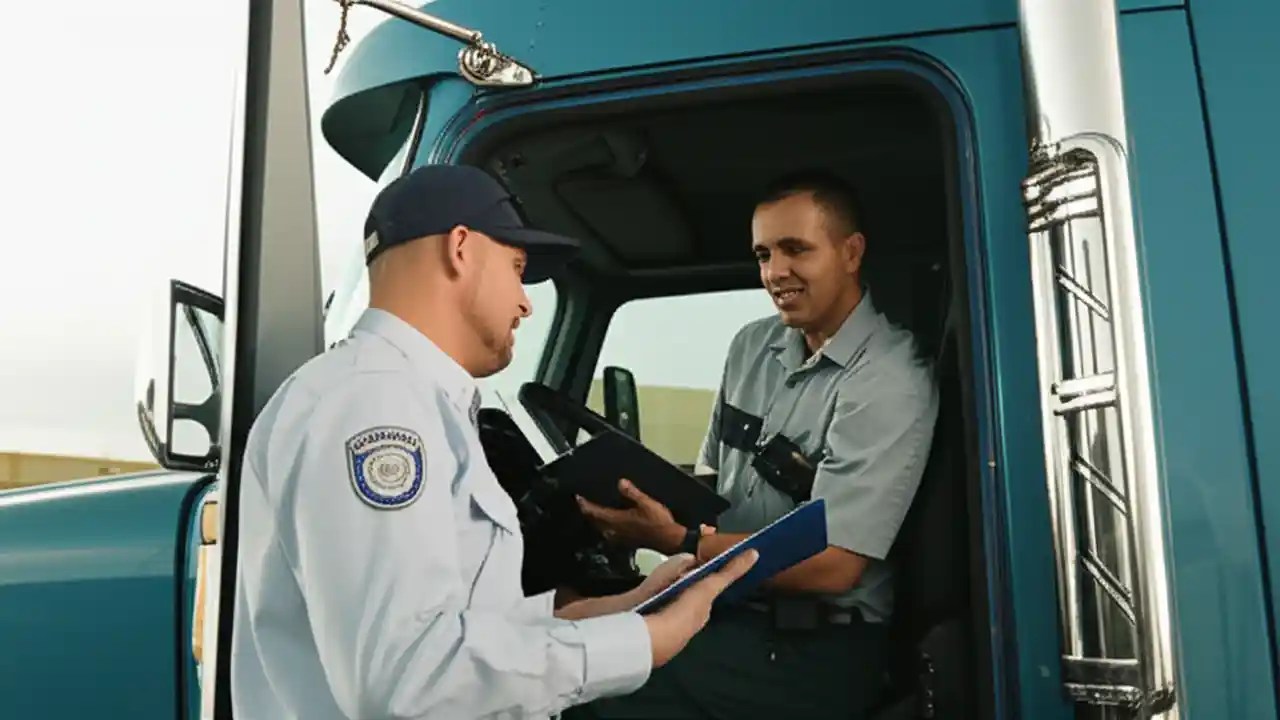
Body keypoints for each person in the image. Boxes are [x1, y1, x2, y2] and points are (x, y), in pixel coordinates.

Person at [229, 164, 759, 720]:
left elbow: (468, 631)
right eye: (516, 268)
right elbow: (411, 678)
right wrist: (643, 644)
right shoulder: (374, 405)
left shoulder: (413, 402)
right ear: (460, 248)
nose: (526, 302)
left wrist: (625, 610)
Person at [566, 170, 940, 719]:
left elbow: (834, 566)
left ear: (851, 251)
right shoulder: (752, 347)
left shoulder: (889, 379)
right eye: (763, 253)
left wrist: (681, 541)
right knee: (566, 639)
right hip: (727, 608)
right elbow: (713, 482)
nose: (774, 272)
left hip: (816, 650)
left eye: (795, 250)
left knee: (581, 691)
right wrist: (632, 499)